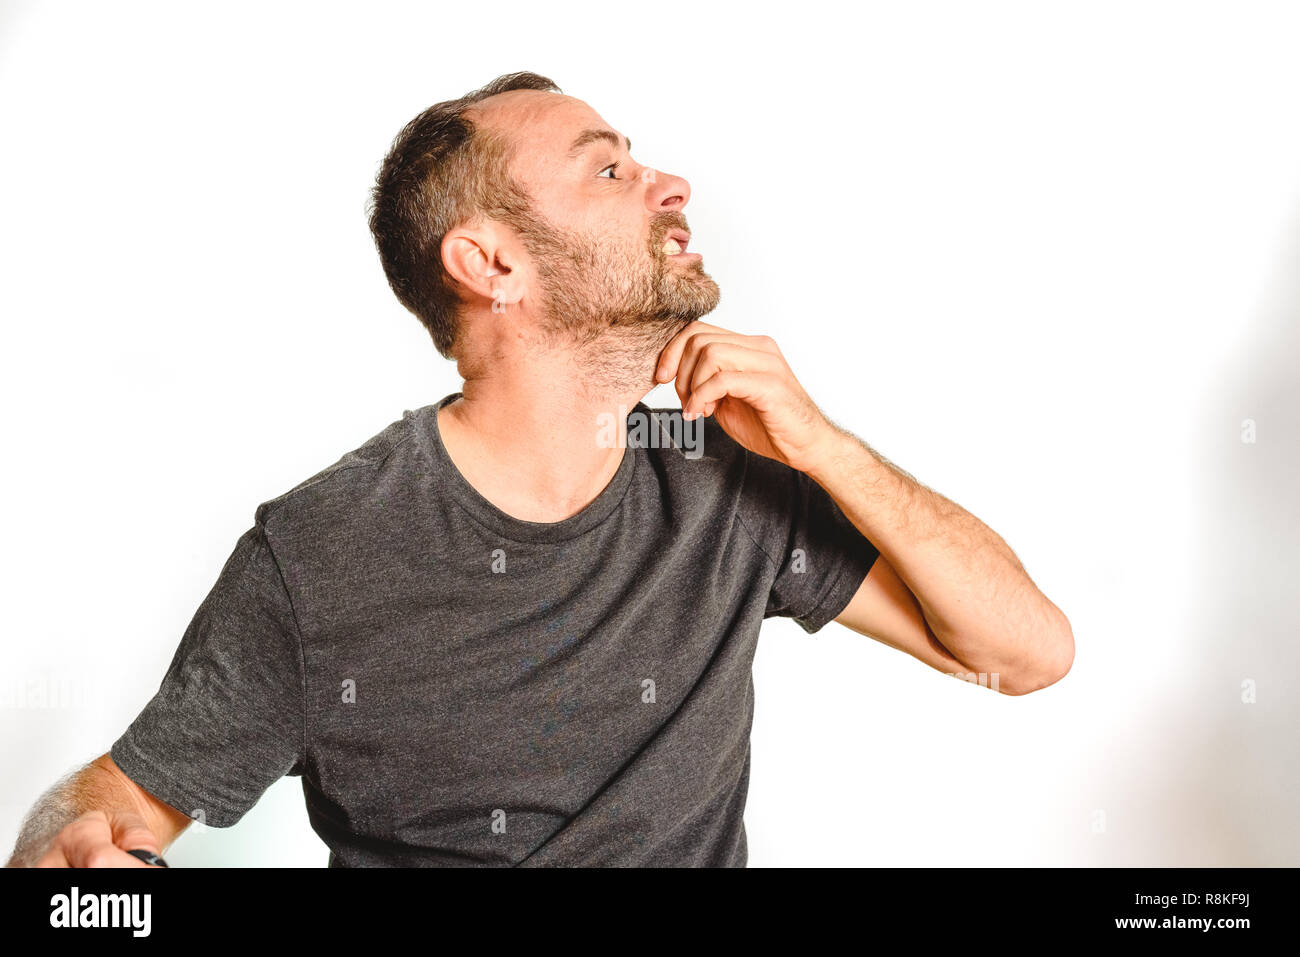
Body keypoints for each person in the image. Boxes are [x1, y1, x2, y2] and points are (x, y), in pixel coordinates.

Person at [7, 72, 1073, 868]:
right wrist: (76, 868)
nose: (669, 184)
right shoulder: (320, 551)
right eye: (609, 168)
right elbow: (105, 810)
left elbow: (1025, 654)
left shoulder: (725, 476)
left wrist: (823, 445)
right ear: (489, 262)